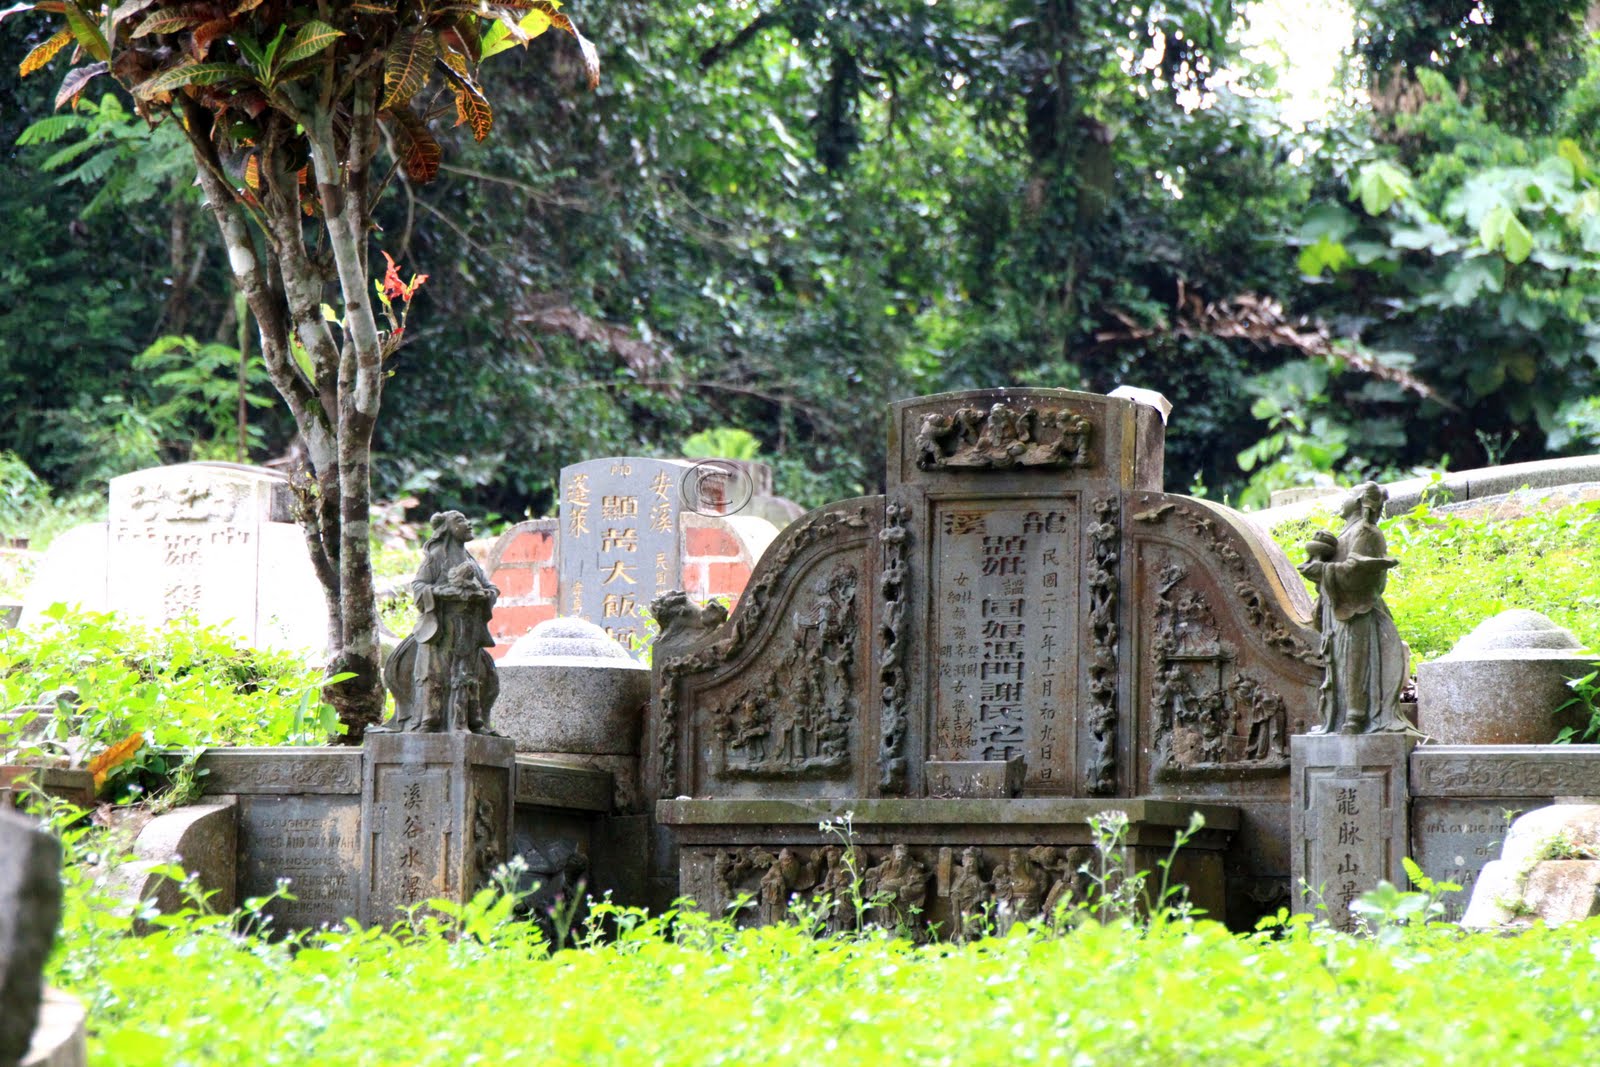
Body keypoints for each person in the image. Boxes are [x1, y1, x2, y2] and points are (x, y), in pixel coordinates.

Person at [1298, 483, 1411, 734]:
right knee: (1336, 668)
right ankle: (1336, 720)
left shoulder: (1366, 532)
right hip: (1337, 610)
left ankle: (1355, 718)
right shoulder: (1345, 533)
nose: (1343, 499)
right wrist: (1318, 563)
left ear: (1360, 501)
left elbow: (1359, 573)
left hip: (1356, 609)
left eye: (1349, 494)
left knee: (1354, 665)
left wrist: (1324, 571)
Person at [380, 511, 500, 732]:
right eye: (461, 520)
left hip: (468, 627)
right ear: (447, 529)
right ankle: (431, 719)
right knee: (435, 673)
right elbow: (418, 586)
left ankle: (469, 720)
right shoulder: (436, 556)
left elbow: (491, 587)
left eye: (466, 519)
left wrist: (485, 595)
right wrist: (442, 592)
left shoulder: (469, 559)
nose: (469, 523)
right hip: (442, 628)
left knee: (467, 674)